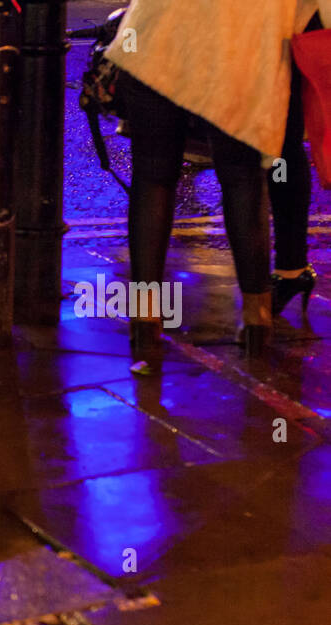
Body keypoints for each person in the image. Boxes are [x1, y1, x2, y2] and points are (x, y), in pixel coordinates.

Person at [104, 0, 318, 370]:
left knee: (153, 176)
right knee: (243, 180)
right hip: (241, 50)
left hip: (158, 36)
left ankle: (145, 320)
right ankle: (256, 320)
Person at [269, 10, 324, 319]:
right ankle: (291, 267)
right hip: (282, 21)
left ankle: (291, 268)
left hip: (289, 22)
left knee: (281, 145)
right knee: (280, 146)